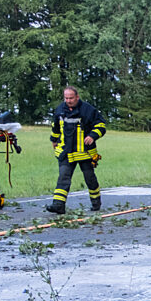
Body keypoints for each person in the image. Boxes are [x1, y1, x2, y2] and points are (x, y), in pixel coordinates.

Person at [46, 86, 107, 214]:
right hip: (66, 152)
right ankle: (58, 205)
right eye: (66, 98)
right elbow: (55, 127)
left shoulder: (88, 110)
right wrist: (54, 140)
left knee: (90, 179)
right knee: (63, 178)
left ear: (77, 97)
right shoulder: (60, 109)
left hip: (84, 152)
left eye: (71, 98)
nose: (68, 101)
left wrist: (92, 136)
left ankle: (96, 203)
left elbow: (101, 125)